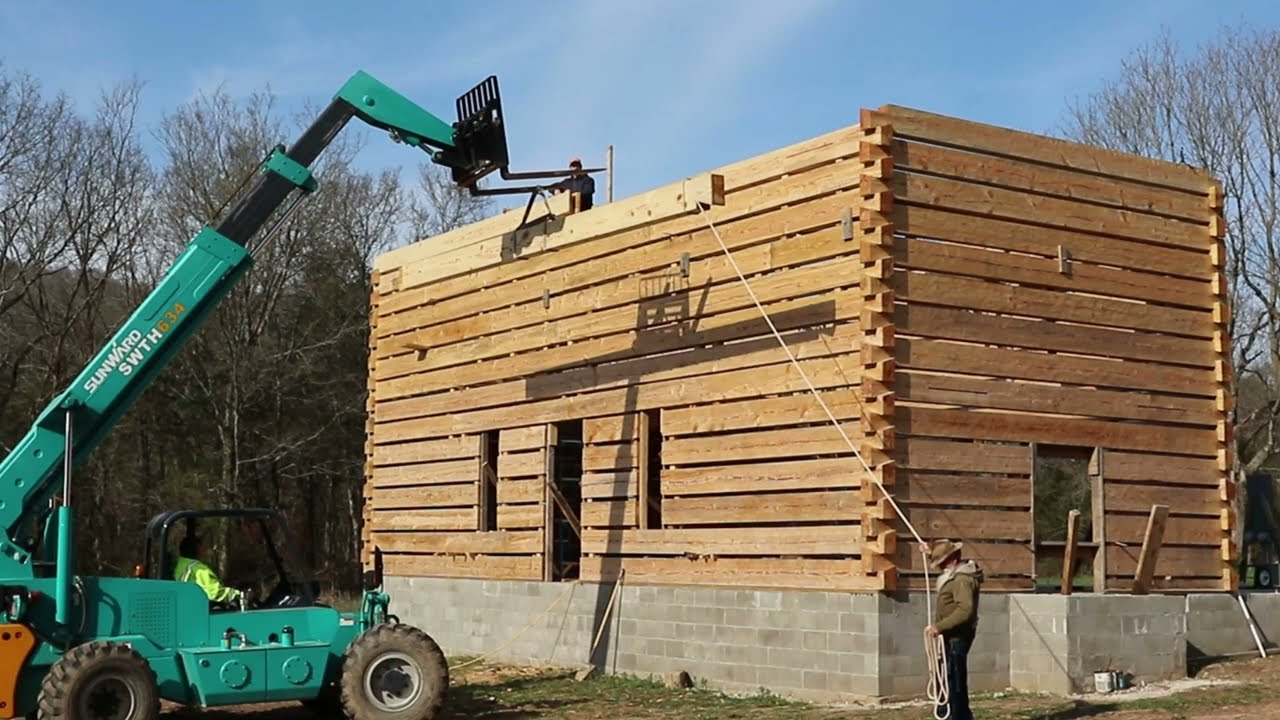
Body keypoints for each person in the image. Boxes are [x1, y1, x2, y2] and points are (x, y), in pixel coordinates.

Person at [921, 539, 984, 720]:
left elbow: (965, 610)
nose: (940, 567)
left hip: (957, 637)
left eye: (942, 562)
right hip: (951, 637)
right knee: (950, 680)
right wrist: (929, 550)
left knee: (953, 682)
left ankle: (956, 716)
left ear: (952, 560)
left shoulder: (962, 580)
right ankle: (959, 716)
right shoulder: (955, 574)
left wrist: (939, 627)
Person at [174, 535, 243, 605]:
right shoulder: (198, 569)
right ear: (197, 548)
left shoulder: (181, 564)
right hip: (195, 609)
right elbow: (214, 593)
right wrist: (238, 595)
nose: (205, 550)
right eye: (203, 547)